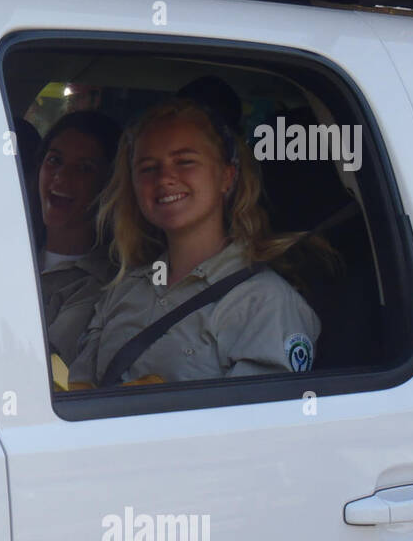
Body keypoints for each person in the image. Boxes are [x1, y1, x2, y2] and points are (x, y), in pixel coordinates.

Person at [64, 96, 320, 388]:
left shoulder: (264, 301)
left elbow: (261, 427)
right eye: (148, 168)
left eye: (185, 162)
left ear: (227, 176)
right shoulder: (123, 288)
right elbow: (77, 392)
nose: (165, 178)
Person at [35, 111, 121, 363]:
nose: (61, 176)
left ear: (109, 183)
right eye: (54, 160)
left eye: (84, 168)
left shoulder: (104, 284)